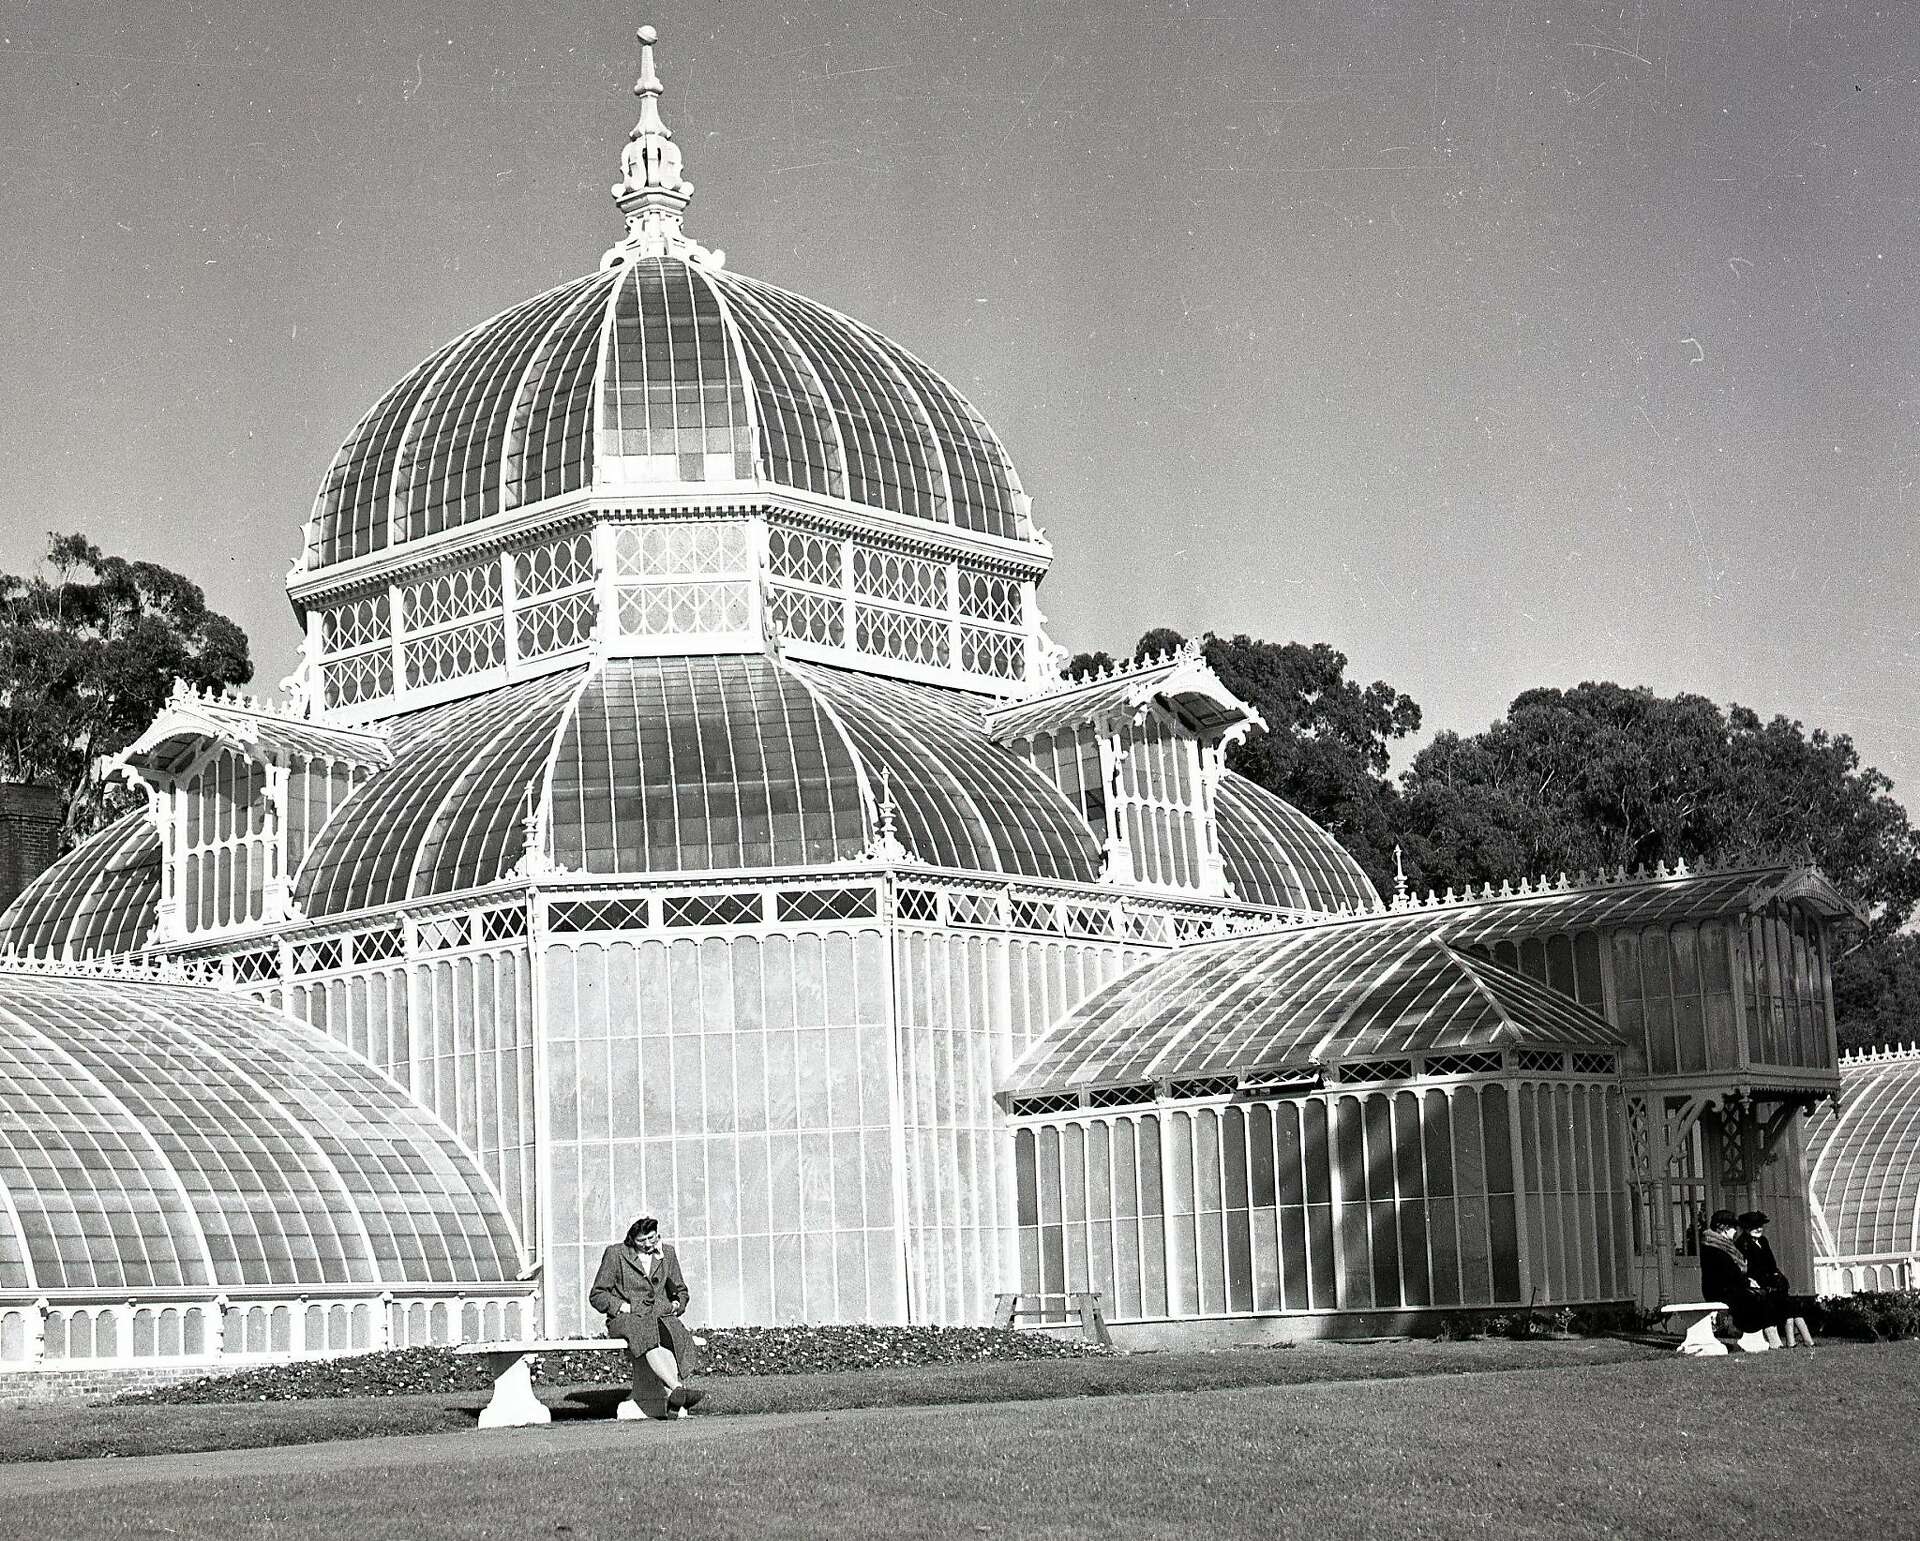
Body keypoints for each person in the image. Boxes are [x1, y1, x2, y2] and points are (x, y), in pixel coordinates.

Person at [589, 1216, 704, 1419]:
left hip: (659, 1315)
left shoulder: (667, 1253)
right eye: (642, 1241)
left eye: (652, 1238)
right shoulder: (615, 1254)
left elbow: (680, 1290)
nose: (649, 1244)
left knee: (671, 1333)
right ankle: (677, 1390)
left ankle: (674, 1396)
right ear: (631, 1239)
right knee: (645, 1333)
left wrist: (677, 1305)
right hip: (627, 1318)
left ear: (657, 1234)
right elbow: (597, 1295)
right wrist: (624, 1307)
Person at [1698, 1208, 1774, 1352]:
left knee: (1759, 1296)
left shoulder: (1719, 1245)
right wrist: (1747, 1282)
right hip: (1719, 1291)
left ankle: (1760, 1338)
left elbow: (1732, 1273)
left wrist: (1746, 1281)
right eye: (1733, 1228)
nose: (1735, 1232)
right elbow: (1729, 1273)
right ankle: (1757, 1337)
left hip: (1725, 1288)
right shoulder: (1714, 1247)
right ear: (1725, 1229)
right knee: (1755, 1298)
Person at [1739, 1210, 1814, 1348]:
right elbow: (1745, 1269)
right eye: (1754, 1226)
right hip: (1758, 1286)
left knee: (1791, 1303)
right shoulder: (1742, 1244)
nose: (1758, 1229)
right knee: (1780, 1304)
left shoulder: (1763, 1241)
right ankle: (1783, 1342)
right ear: (1746, 1227)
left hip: (1771, 1283)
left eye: (1760, 1225)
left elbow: (1772, 1264)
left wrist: (1778, 1277)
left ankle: (1804, 1340)